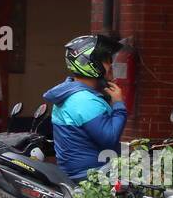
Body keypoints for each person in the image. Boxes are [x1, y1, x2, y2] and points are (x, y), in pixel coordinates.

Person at [43, 34, 128, 181]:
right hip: (90, 179)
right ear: (91, 63)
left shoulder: (72, 93)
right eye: (107, 61)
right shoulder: (83, 100)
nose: (111, 67)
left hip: (83, 174)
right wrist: (119, 105)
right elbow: (109, 138)